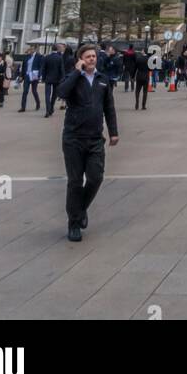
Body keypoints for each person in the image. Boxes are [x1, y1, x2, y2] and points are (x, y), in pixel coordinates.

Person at [57, 41, 118, 243]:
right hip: (73, 138)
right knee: (75, 182)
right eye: (88, 56)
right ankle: (74, 223)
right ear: (80, 60)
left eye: (94, 56)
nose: (92, 59)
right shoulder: (72, 78)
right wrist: (76, 73)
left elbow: (109, 107)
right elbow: (62, 93)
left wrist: (114, 132)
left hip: (94, 139)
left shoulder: (103, 80)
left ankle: (80, 209)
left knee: (95, 177)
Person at [42, 45, 65, 116]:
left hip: (48, 78)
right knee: (54, 95)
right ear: (57, 49)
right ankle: (51, 108)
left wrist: (43, 78)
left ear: (51, 49)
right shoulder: (59, 58)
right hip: (57, 79)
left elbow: (44, 69)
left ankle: (47, 110)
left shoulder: (47, 57)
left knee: (47, 95)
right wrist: (62, 78)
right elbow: (61, 69)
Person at [19, 48, 44, 112]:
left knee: (34, 91)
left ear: (34, 50)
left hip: (34, 75)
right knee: (25, 91)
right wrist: (21, 76)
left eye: (31, 50)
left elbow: (41, 66)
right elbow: (23, 66)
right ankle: (23, 107)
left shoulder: (39, 57)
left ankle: (38, 103)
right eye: (29, 50)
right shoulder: (27, 57)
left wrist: (39, 75)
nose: (29, 51)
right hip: (27, 75)